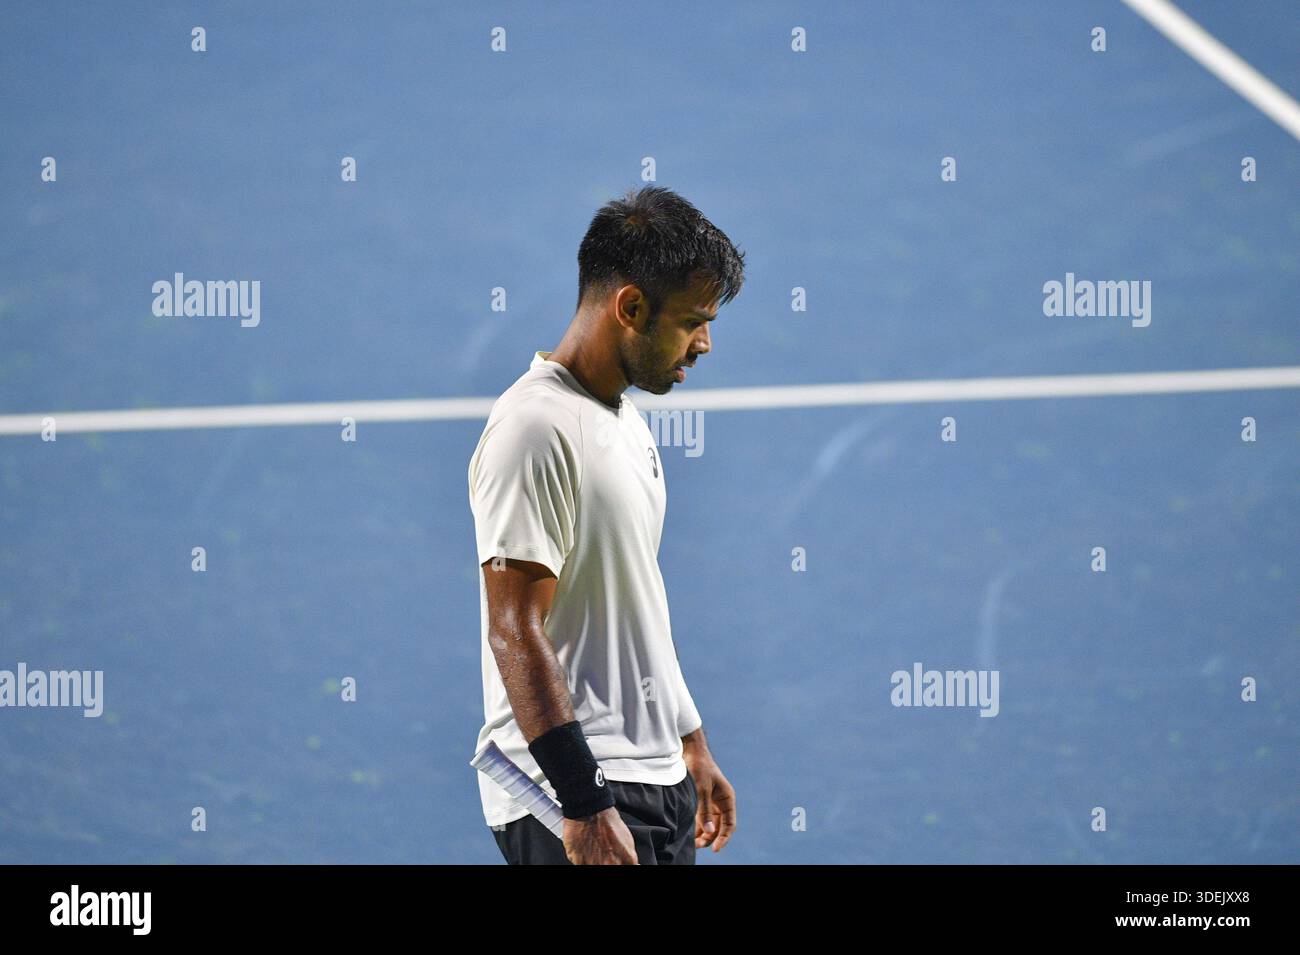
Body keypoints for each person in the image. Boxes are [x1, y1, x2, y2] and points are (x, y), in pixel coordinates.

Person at [467, 185, 745, 864]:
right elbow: (514, 628)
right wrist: (584, 802)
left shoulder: (626, 423)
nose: (705, 344)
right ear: (632, 306)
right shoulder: (534, 428)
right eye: (692, 321)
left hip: (653, 776)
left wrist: (688, 737)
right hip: (572, 784)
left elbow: (633, 599)